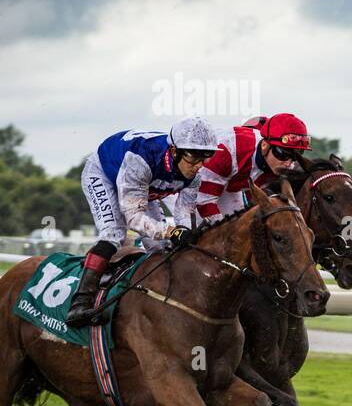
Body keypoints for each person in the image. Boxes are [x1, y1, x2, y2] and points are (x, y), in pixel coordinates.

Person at [67, 117, 219, 327]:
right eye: (193, 159)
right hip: (104, 174)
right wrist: (172, 232)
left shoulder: (194, 176)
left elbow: (184, 212)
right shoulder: (141, 159)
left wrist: (183, 231)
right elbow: (134, 218)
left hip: (144, 185)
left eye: (205, 158)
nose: (198, 167)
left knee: (161, 246)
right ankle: (80, 302)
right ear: (174, 151)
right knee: (113, 234)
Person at [173, 113, 312, 224]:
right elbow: (203, 200)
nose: (289, 164)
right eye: (283, 155)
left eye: (295, 157)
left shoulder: (281, 164)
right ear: (265, 146)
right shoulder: (229, 150)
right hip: (182, 183)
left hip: (228, 184)